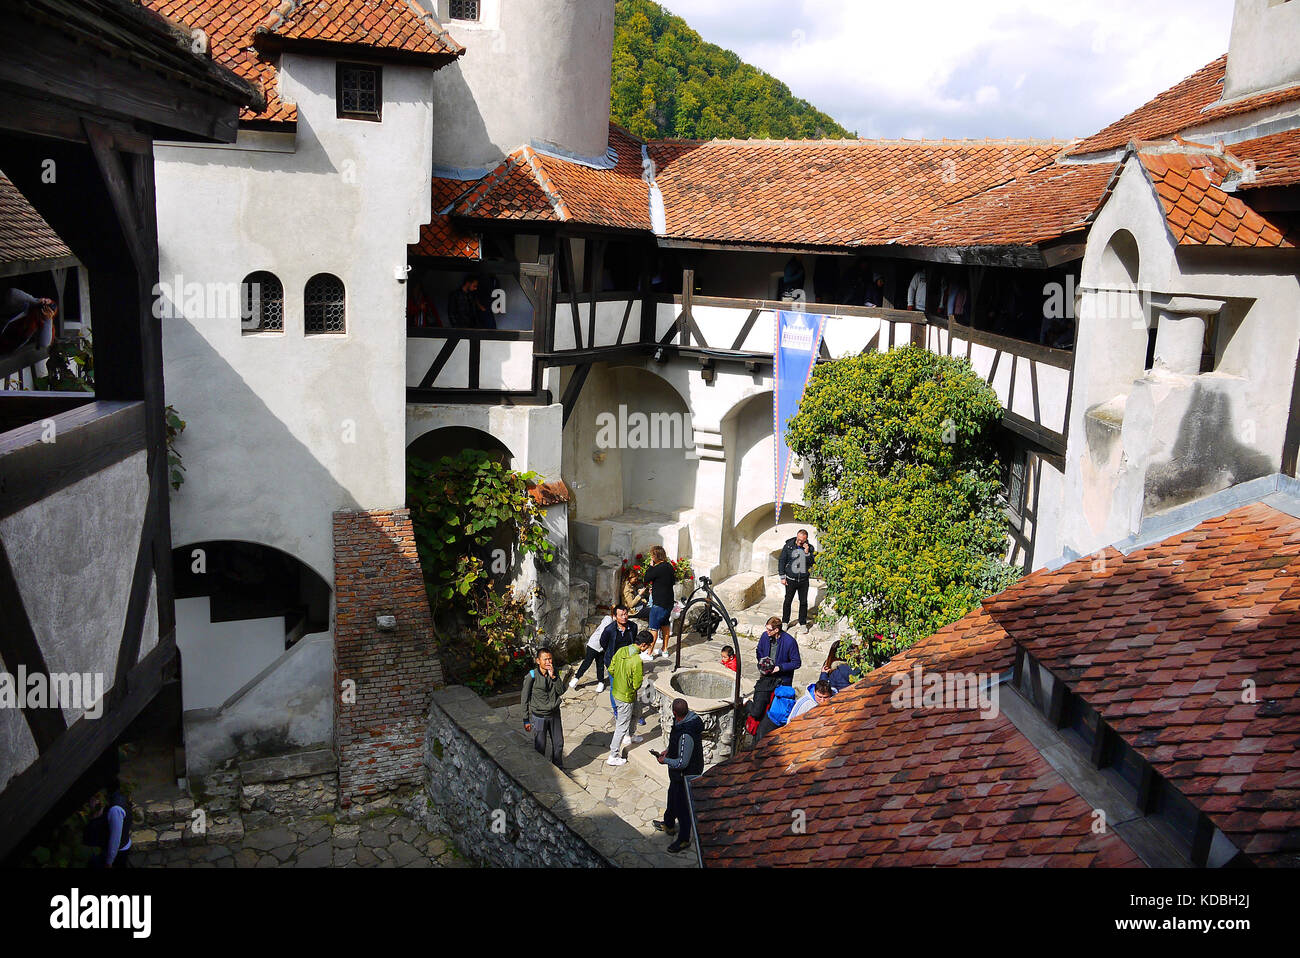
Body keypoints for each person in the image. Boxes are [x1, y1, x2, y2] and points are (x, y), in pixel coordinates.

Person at [653, 697, 704, 853]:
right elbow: (675, 741)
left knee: (683, 808)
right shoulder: (682, 720)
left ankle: (684, 839)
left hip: (685, 775)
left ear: (675, 712)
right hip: (677, 776)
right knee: (672, 796)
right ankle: (668, 824)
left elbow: (682, 762)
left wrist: (665, 760)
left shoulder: (686, 734)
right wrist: (668, 750)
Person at [607, 632, 654, 766]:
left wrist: (620, 680)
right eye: (648, 646)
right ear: (643, 645)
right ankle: (613, 755)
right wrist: (628, 684)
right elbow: (637, 683)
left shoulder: (622, 650)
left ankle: (630, 736)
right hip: (626, 696)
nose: (647, 649)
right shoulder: (637, 661)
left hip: (618, 692)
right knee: (621, 726)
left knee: (636, 712)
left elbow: (611, 669)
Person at [521, 648, 571, 768]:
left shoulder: (554, 672)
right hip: (539, 717)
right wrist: (526, 719)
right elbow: (524, 698)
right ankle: (542, 769)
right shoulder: (531, 676)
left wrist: (553, 677)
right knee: (540, 746)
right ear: (538, 661)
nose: (548, 662)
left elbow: (561, 691)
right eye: (545, 659)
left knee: (558, 744)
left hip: (554, 714)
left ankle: (558, 767)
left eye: (550, 659)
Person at [85, 779, 132, 869]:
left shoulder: (115, 809)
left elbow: (115, 838)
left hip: (119, 851)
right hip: (121, 846)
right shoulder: (118, 797)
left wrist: (109, 861)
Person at [642, 545, 676, 658]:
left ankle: (649, 653)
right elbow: (671, 582)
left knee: (654, 628)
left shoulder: (657, 568)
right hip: (669, 601)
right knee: (665, 625)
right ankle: (665, 649)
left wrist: (651, 566)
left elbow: (646, 579)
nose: (651, 557)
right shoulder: (670, 567)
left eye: (652, 555)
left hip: (659, 603)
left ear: (655, 556)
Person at [779, 529, 816, 632]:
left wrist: (807, 552)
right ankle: (785, 622)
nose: (800, 542)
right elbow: (782, 560)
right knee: (788, 601)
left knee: (803, 602)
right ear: (797, 536)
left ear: (806, 539)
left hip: (803, 580)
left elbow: (812, 562)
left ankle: (803, 623)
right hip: (791, 579)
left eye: (802, 540)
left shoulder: (810, 548)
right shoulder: (789, 545)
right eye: (799, 539)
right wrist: (782, 576)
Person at [1, 288, 56, 355]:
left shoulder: (38, 324)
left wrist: (48, 320)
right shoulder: (25, 305)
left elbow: (44, 343)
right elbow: (12, 293)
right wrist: (36, 301)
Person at [756, 615, 801, 687]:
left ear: (776, 630)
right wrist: (762, 663)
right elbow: (759, 650)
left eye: (769, 630)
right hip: (766, 676)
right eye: (766, 628)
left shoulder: (790, 642)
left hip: (782, 679)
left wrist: (779, 668)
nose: (767, 631)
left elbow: (796, 663)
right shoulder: (765, 636)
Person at [571, 613, 612, 692]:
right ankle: (576, 678)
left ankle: (601, 682)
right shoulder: (608, 619)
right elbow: (603, 633)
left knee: (600, 665)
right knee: (587, 662)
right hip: (594, 644)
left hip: (602, 647)